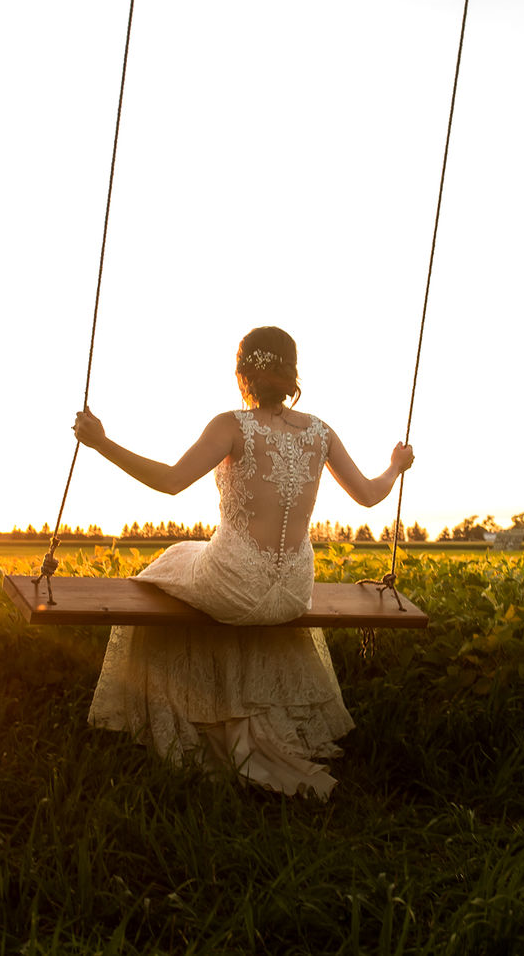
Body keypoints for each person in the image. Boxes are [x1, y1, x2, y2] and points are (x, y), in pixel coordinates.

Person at [72, 325, 413, 799]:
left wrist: (101, 443)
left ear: (243, 374)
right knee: (199, 568)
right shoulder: (321, 432)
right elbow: (371, 496)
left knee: (163, 568)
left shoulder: (232, 425)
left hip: (235, 583)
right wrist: (396, 464)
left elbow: (171, 482)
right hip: (294, 590)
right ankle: (246, 711)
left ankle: (191, 712)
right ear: (292, 375)